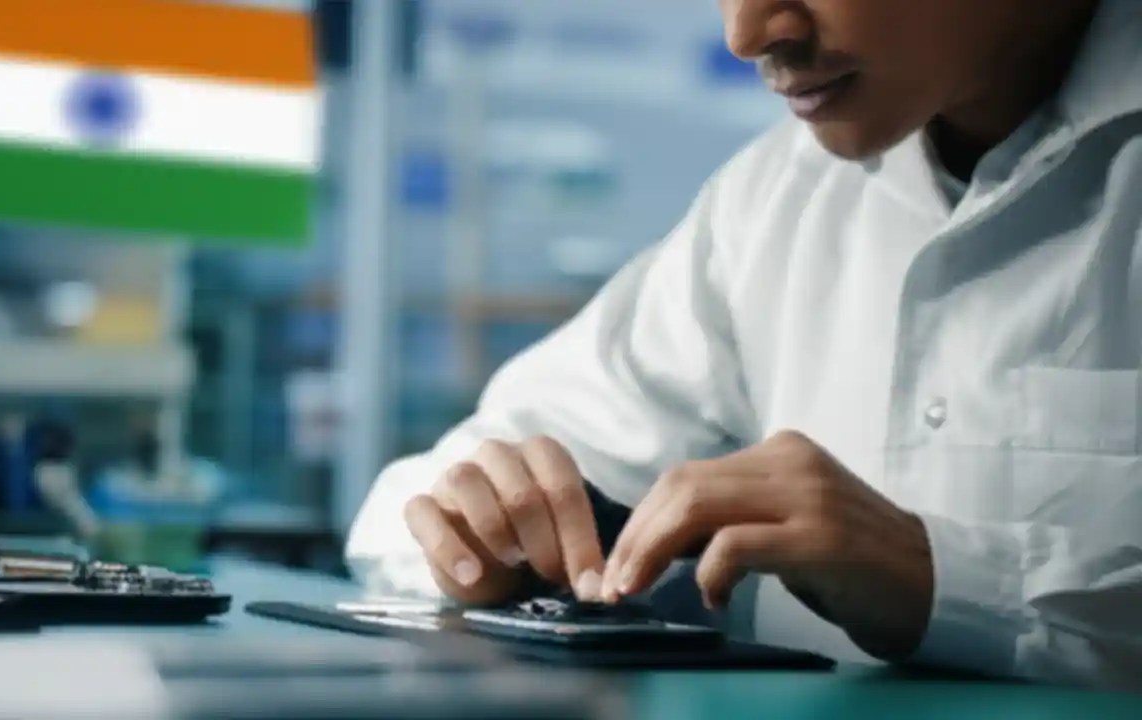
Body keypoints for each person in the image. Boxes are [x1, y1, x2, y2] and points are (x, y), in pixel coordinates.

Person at [347, 0, 1142, 688]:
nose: (749, 32)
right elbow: (405, 510)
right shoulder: (768, 203)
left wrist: (941, 579)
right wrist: (485, 539)